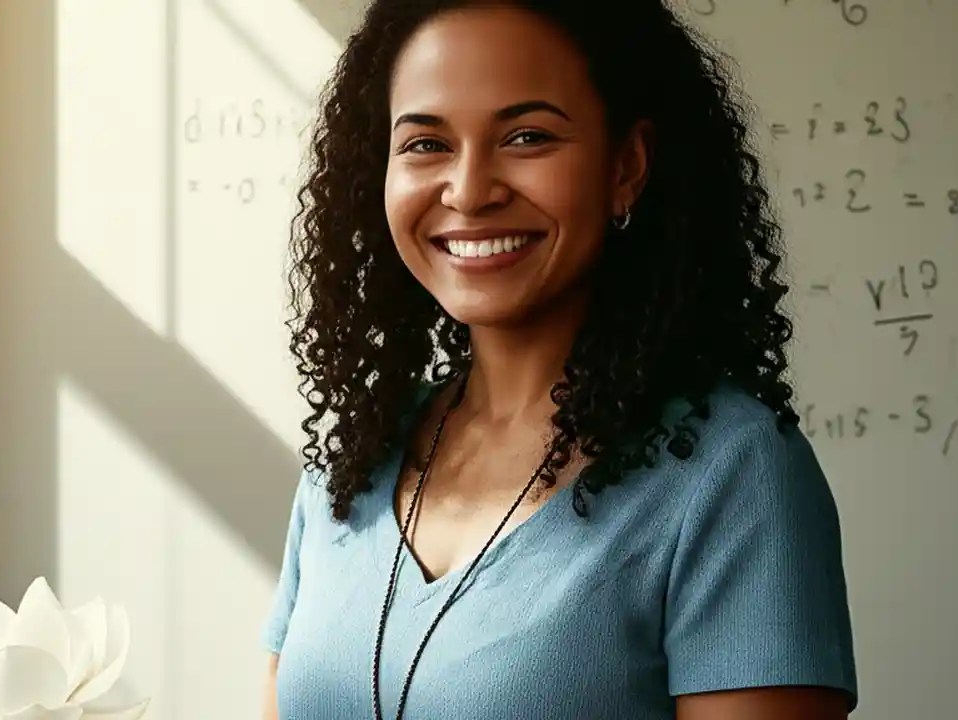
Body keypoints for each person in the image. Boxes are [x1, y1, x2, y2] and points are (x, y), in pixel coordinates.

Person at [261, 1, 858, 718]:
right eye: (425, 144)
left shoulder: (732, 472)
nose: (470, 190)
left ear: (625, 167)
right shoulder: (349, 463)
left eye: (527, 136)